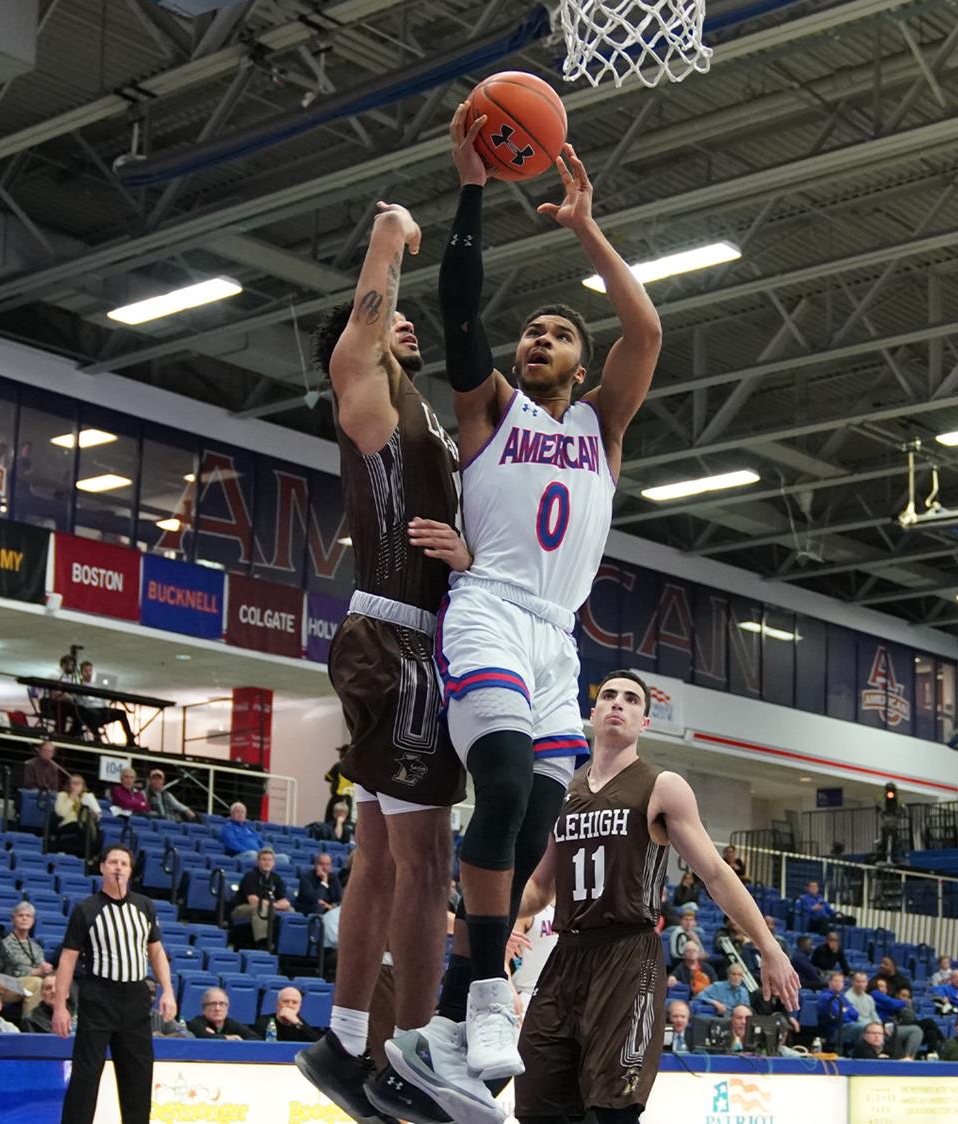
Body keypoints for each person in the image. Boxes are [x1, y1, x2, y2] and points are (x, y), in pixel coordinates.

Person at [429, 96, 664, 1089]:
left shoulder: (602, 428)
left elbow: (644, 329)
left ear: (578, 360)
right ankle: (488, 998)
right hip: (486, 606)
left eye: (558, 331)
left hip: (557, 642)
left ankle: (448, 1009)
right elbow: (456, 306)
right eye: (530, 330)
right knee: (509, 781)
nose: (539, 337)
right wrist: (473, 187)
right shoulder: (486, 410)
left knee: (535, 830)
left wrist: (584, 229)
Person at [289, 204, 480, 1124]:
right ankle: (409, 1063)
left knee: (375, 852)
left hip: (400, 638)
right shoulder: (363, 388)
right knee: (426, 856)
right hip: (396, 641)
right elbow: (366, 319)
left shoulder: (419, 415)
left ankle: (347, 1039)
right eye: (384, 320)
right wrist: (392, 232)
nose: (401, 322)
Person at [444, 671, 798, 1124]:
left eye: (631, 699)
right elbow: (539, 888)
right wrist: (502, 917)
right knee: (538, 1107)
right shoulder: (561, 791)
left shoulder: (662, 786)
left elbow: (713, 872)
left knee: (611, 1110)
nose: (617, 704)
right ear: (591, 714)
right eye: (608, 696)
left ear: (644, 721)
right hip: (567, 954)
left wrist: (768, 947)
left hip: (628, 956)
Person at [54, 844, 175, 1124]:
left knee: (139, 1074)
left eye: (124, 863)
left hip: (135, 998)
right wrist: (60, 1006)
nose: (118, 867)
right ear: (102, 868)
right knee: (86, 1075)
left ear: (131, 870)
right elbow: (68, 959)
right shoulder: (86, 909)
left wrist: (167, 991)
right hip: (99, 995)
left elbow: (156, 951)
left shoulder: (144, 906)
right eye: (113, 862)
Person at [231, 850, 291, 946]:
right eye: (264, 859)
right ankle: (262, 942)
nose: (267, 862)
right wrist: (274, 904)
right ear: (258, 862)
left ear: (274, 863)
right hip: (242, 908)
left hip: (268, 907)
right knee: (260, 908)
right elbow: (253, 901)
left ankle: (285, 942)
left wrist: (275, 905)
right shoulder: (250, 876)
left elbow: (285, 902)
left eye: (270, 860)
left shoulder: (276, 878)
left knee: (290, 910)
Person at [2, 901, 52, 1013]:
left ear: (33, 921)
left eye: (28, 916)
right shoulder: (4, 944)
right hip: (9, 983)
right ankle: (30, 1024)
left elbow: (41, 965)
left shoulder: (36, 947)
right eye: (20, 915)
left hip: (33, 980)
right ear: (13, 920)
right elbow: (11, 969)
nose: (24, 918)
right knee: (37, 983)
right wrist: (36, 971)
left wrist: (46, 969)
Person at [76, 661, 135, 745]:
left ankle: (130, 740)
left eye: (90, 670)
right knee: (91, 715)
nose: (88, 673)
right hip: (89, 712)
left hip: (102, 710)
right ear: (81, 672)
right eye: (86, 671)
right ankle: (97, 738)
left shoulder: (96, 685)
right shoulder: (79, 686)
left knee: (121, 713)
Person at [52, 775, 101, 860]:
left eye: (79, 783)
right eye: (74, 783)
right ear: (68, 785)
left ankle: (90, 857)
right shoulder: (62, 795)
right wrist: (72, 796)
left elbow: (97, 817)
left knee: (98, 832)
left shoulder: (86, 797)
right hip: (67, 823)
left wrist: (94, 814)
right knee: (80, 828)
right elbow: (61, 813)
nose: (76, 786)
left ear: (83, 786)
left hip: (83, 824)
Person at [189, 988, 260, 1041]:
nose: (217, 1008)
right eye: (212, 1004)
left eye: (222, 1004)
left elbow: (256, 1038)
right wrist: (230, 1038)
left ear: (227, 1007)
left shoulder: (231, 1023)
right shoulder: (196, 1023)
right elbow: (206, 1037)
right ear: (204, 1009)